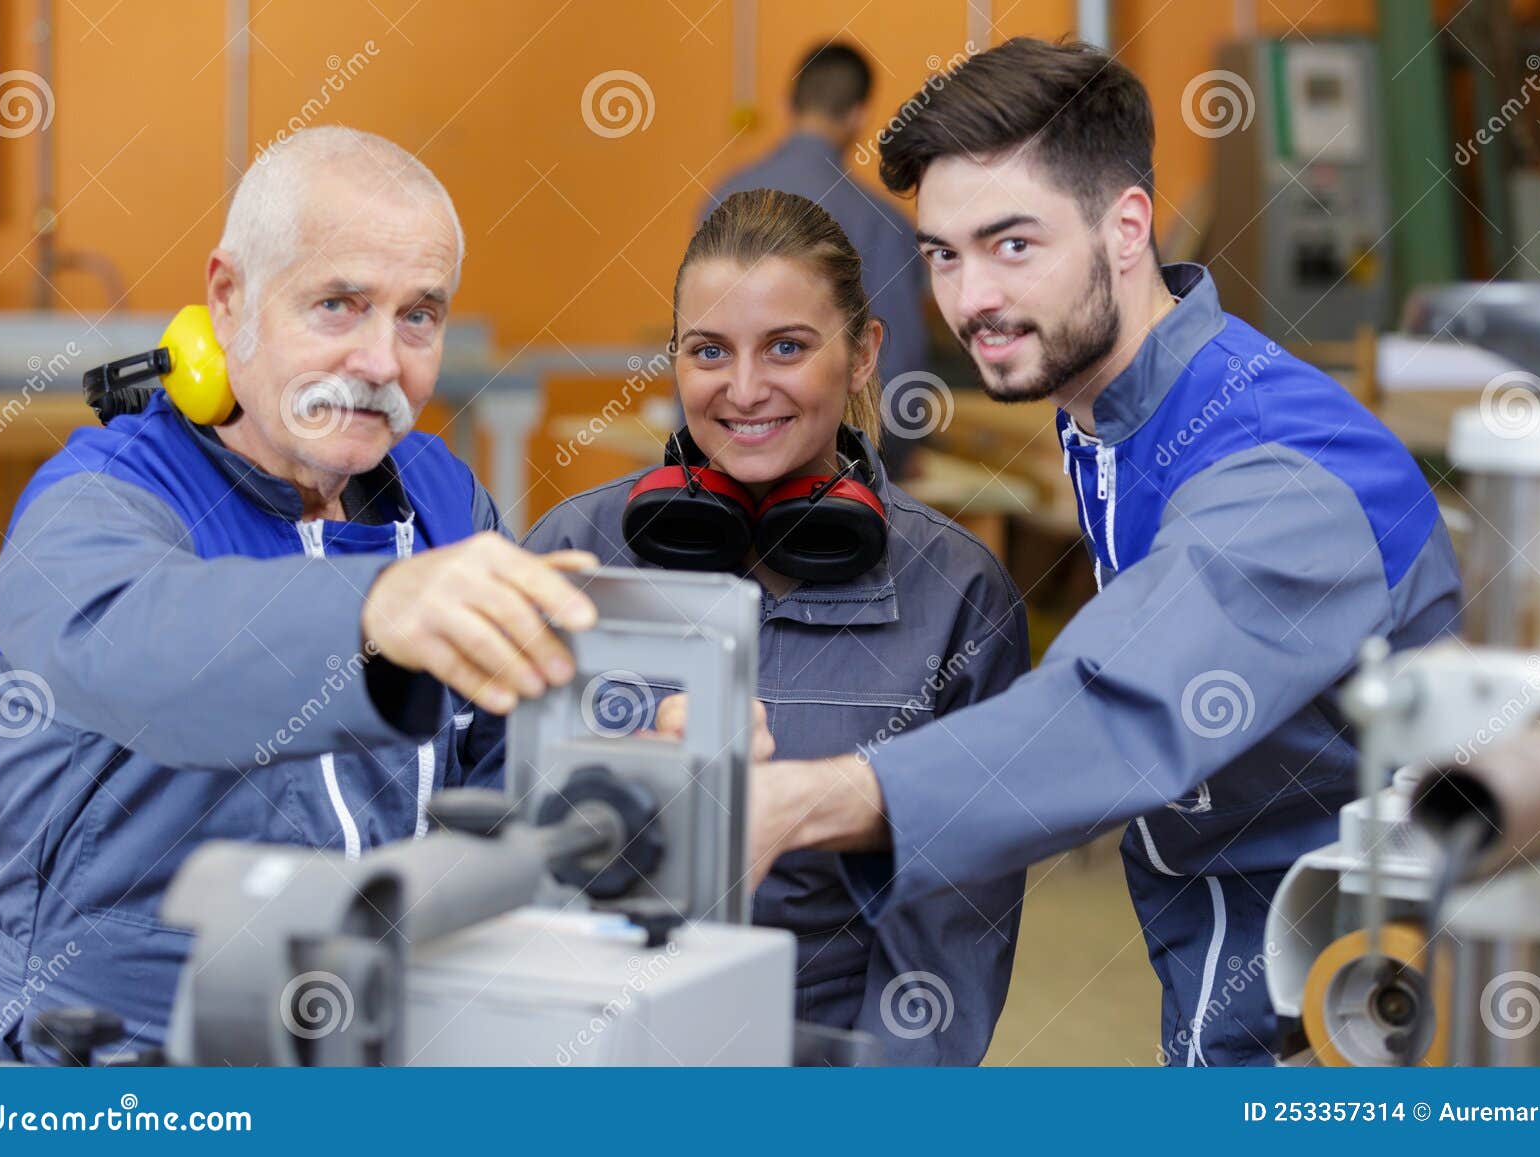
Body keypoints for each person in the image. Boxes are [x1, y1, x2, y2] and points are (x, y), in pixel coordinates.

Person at [742, 38, 1463, 1066]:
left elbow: (1118, 698)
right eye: (943, 253)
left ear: (1126, 229)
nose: (971, 297)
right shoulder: (1110, 405)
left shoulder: (1283, 464)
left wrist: (804, 800)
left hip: (1364, 1003)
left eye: (1012, 245)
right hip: (1231, 955)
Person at [0, 127, 601, 1062]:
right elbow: (138, 644)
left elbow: (511, 759)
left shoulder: (439, 494)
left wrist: (624, 756)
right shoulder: (97, 497)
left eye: (418, 315)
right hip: (115, 1054)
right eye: (339, 304)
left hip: (368, 1033)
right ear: (229, 299)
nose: (383, 362)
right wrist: (376, 611)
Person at [525, 188, 1027, 1065]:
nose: (745, 390)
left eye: (787, 347)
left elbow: (949, 942)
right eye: (708, 351)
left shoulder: (956, 593)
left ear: (865, 353)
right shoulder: (573, 555)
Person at [706, 41, 928, 473]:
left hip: (721, 466)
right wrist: (890, 467)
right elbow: (901, 371)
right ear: (859, 114)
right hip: (841, 474)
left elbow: (699, 338)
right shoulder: (882, 221)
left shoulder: (720, 198)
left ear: (789, 102)